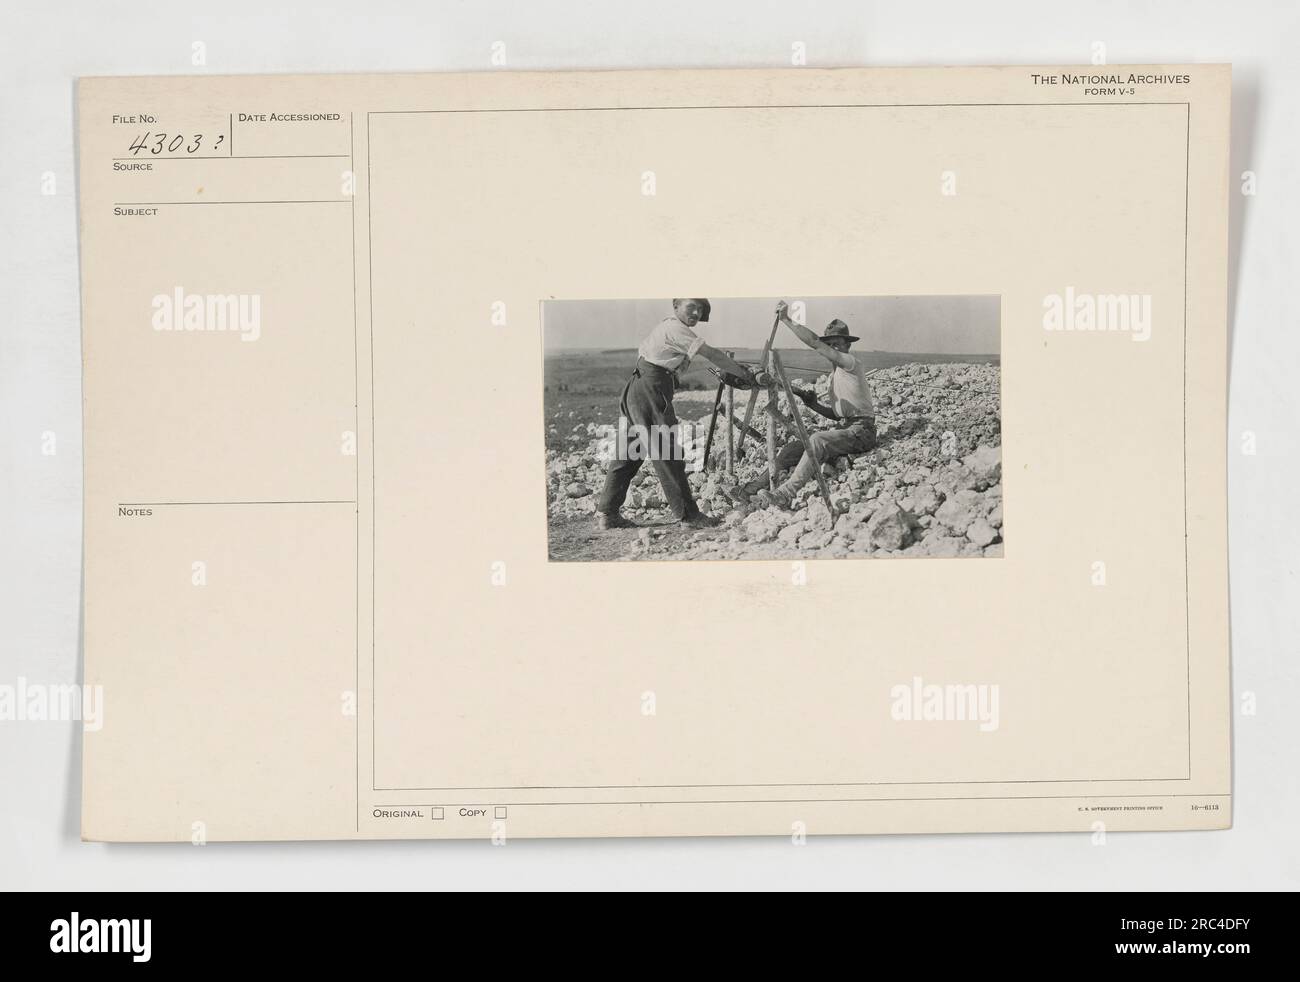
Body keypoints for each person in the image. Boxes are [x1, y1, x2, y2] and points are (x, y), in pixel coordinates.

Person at [596, 298, 769, 530]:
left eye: (700, 309)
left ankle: (607, 514)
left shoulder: (669, 327)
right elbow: (713, 355)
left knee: (630, 450)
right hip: (651, 388)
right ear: (676, 307)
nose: (696, 313)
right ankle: (689, 516)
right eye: (691, 307)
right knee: (667, 450)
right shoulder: (676, 329)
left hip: (639, 387)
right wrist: (746, 375)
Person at [742, 301, 877, 509]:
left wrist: (786, 319)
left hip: (862, 432)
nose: (832, 348)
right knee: (791, 449)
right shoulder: (836, 376)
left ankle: (785, 493)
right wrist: (813, 404)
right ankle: (751, 489)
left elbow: (815, 342)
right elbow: (838, 415)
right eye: (829, 344)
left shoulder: (850, 363)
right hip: (848, 428)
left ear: (847, 346)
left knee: (816, 440)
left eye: (837, 344)